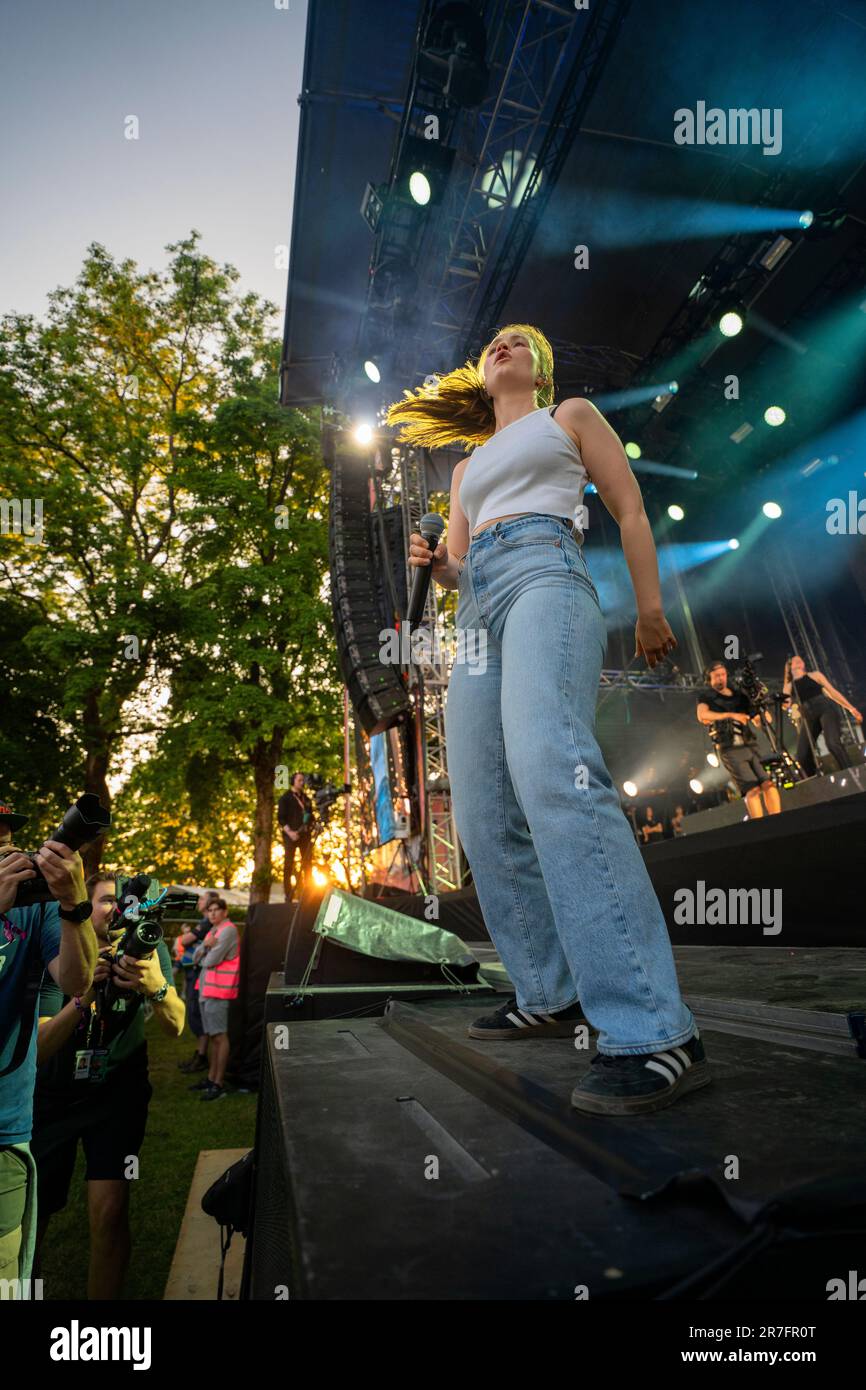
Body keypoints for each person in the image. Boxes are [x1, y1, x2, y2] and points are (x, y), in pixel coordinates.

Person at [391, 323, 708, 1116]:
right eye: (495, 341)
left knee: (550, 766)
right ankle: (545, 989)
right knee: (482, 807)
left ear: (541, 365)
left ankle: (653, 1028)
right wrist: (438, 562)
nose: (504, 344)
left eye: (520, 340)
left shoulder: (567, 417)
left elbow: (631, 509)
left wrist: (649, 608)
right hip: (482, 606)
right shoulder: (465, 469)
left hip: (547, 574)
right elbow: (465, 566)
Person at [31, 873, 184, 1299]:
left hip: (118, 1091)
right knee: (33, 1215)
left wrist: (155, 988)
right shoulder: (55, 949)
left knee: (111, 1211)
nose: (116, 909)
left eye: (121, 901)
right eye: (104, 901)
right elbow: (38, 1050)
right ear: (82, 908)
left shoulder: (146, 944)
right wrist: (82, 996)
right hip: (52, 1094)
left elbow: (177, 1025)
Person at [0, 802, 97, 1296]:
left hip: (4, 1134)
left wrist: (74, 904)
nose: (5, 849)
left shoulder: (33, 907)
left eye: (7, 837)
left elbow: (78, 981)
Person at [696, 662, 781, 819]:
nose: (721, 678)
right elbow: (702, 716)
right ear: (709, 679)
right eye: (717, 676)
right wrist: (730, 715)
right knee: (752, 789)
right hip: (730, 748)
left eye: (723, 674)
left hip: (750, 744)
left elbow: (759, 720)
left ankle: (778, 820)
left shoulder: (740, 695)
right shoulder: (706, 697)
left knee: (769, 784)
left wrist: (762, 710)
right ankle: (762, 827)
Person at [189, 898, 240, 1101]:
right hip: (207, 990)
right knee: (213, 1036)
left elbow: (209, 961)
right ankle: (211, 1078)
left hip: (218, 991)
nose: (212, 914)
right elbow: (194, 958)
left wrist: (205, 950)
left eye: (216, 910)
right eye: (209, 910)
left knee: (220, 1036)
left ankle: (218, 1083)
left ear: (225, 912)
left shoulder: (227, 930)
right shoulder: (213, 931)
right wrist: (205, 948)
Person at [782, 656, 862, 777]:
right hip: (808, 714)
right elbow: (785, 704)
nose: (799, 661)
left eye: (801, 659)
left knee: (832, 743)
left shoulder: (815, 675)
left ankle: (851, 773)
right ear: (789, 666)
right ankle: (816, 779)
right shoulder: (789, 685)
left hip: (825, 708)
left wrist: (851, 708)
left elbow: (832, 692)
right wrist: (786, 677)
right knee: (802, 755)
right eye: (794, 660)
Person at [176, 890, 220, 1074]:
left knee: (197, 1014)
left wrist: (185, 936)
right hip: (194, 973)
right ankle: (199, 1055)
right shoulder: (205, 922)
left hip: (198, 974)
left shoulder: (207, 922)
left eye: (202, 898)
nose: (199, 901)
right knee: (195, 1013)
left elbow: (185, 940)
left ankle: (201, 1057)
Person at [277, 773, 314, 900]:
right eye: (299, 780)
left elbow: (311, 817)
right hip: (290, 836)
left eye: (303, 780)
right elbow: (281, 818)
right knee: (288, 865)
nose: (302, 782)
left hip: (305, 836)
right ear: (293, 781)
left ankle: (308, 895)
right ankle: (288, 895)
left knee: (308, 865)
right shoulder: (285, 798)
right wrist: (290, 833)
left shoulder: (307, 799)